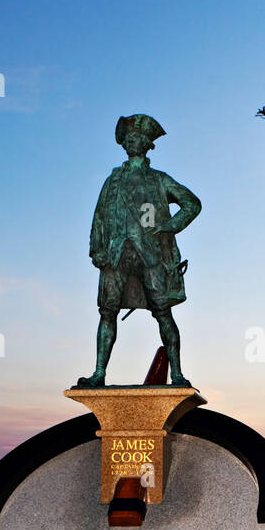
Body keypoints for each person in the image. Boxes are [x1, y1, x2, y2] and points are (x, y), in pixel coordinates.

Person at [76, 114, 202, 388]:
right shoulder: (113, 180)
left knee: (163, 313)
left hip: (150, 254)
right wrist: (97, 250)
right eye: (129, 138)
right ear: (124, 143)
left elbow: (192, 204)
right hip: (116, 253)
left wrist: (169, 226)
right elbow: (99, 218)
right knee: (107, 312)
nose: (133, 141)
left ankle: (177, 374)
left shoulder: (159, 180)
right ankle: (99, 373)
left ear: (148, 145)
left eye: (139, 138)